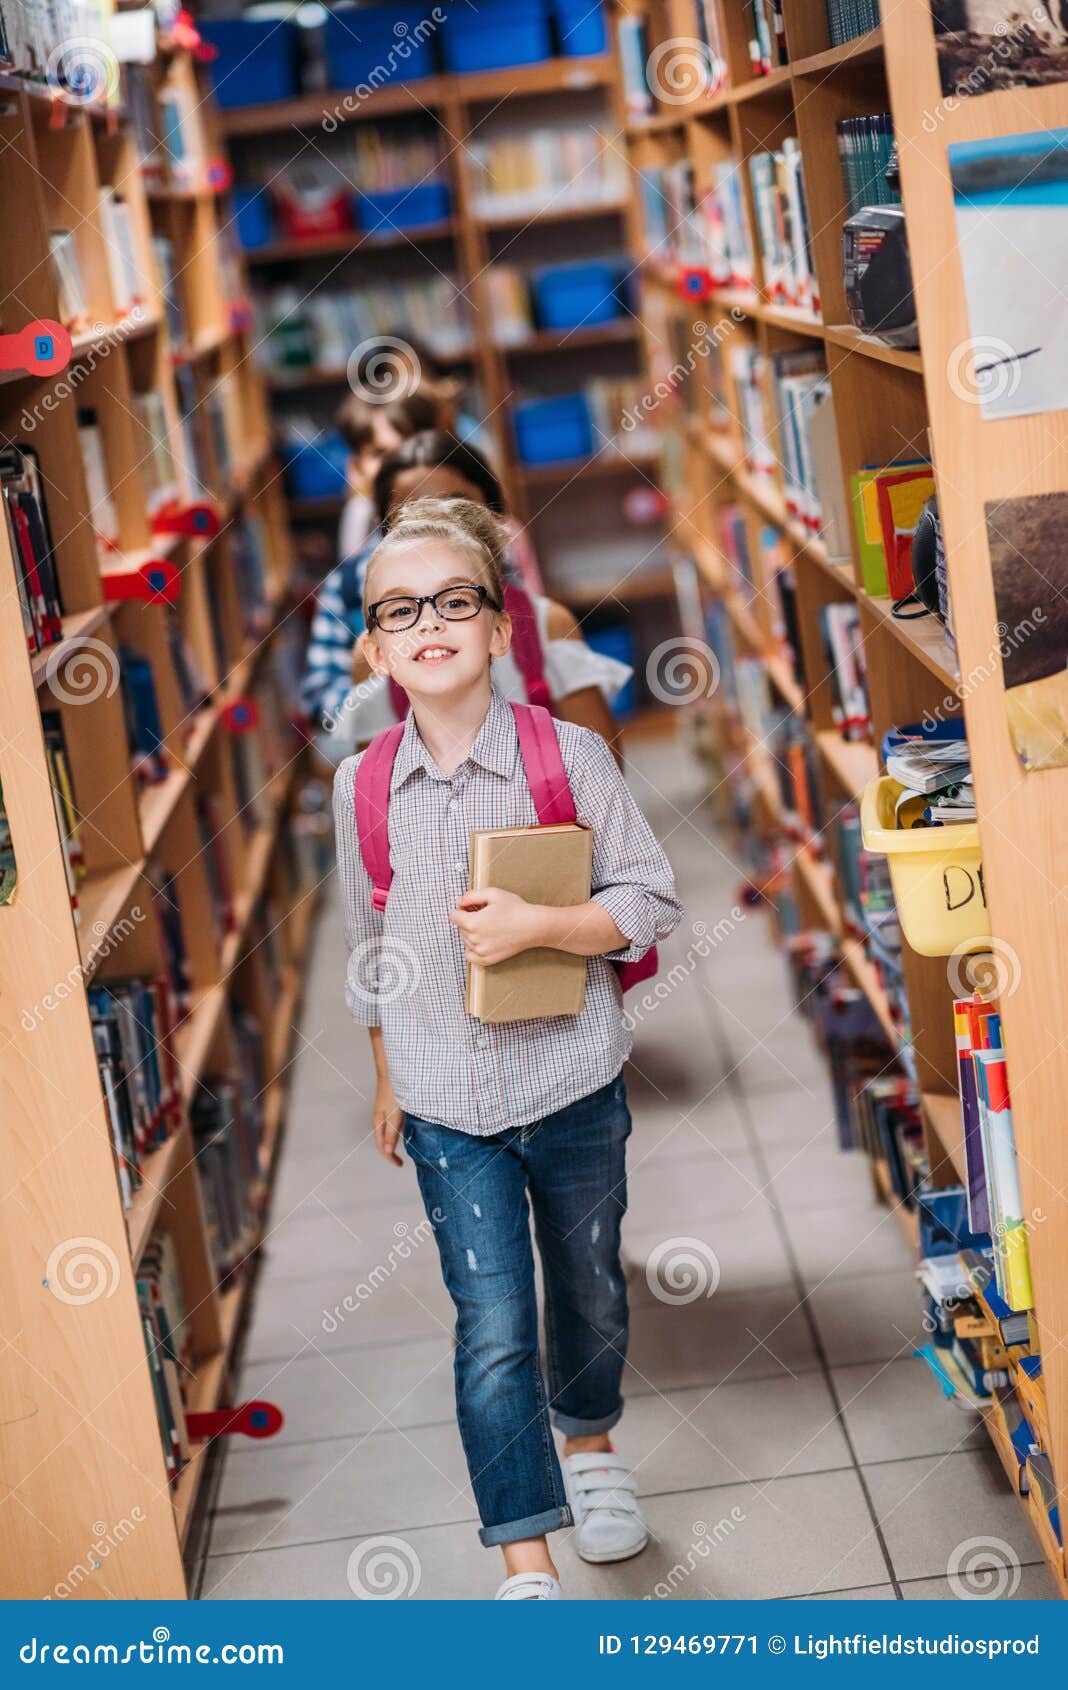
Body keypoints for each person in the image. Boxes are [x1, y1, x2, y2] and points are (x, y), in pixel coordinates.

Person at [332, 498, 683, 1600]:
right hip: (445, 1100)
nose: (428, 621)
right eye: (401, 609)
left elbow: (651, 897)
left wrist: (544, 928)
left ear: (497, 627)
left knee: (587, 1283)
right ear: (377, 647)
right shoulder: (361, 786)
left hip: (571, 1077)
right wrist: (389, 1072)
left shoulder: (567, 756)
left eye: (454, 600)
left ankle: (590, 1443)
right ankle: (524, 1551)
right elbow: (368, 943)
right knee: (491, 1321)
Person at [303, 432, 627, 764]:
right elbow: (373, 797)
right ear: (387, 538)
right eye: (413, 517)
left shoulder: (549, 625)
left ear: (495, 515)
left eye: (458, 509)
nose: (440, 530)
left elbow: (603, 771)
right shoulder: (373, 655)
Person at [335, 389, 438, 566]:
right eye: (379, 453)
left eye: (408, 448)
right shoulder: (361, 516)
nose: (397, 463)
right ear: (356, 468)